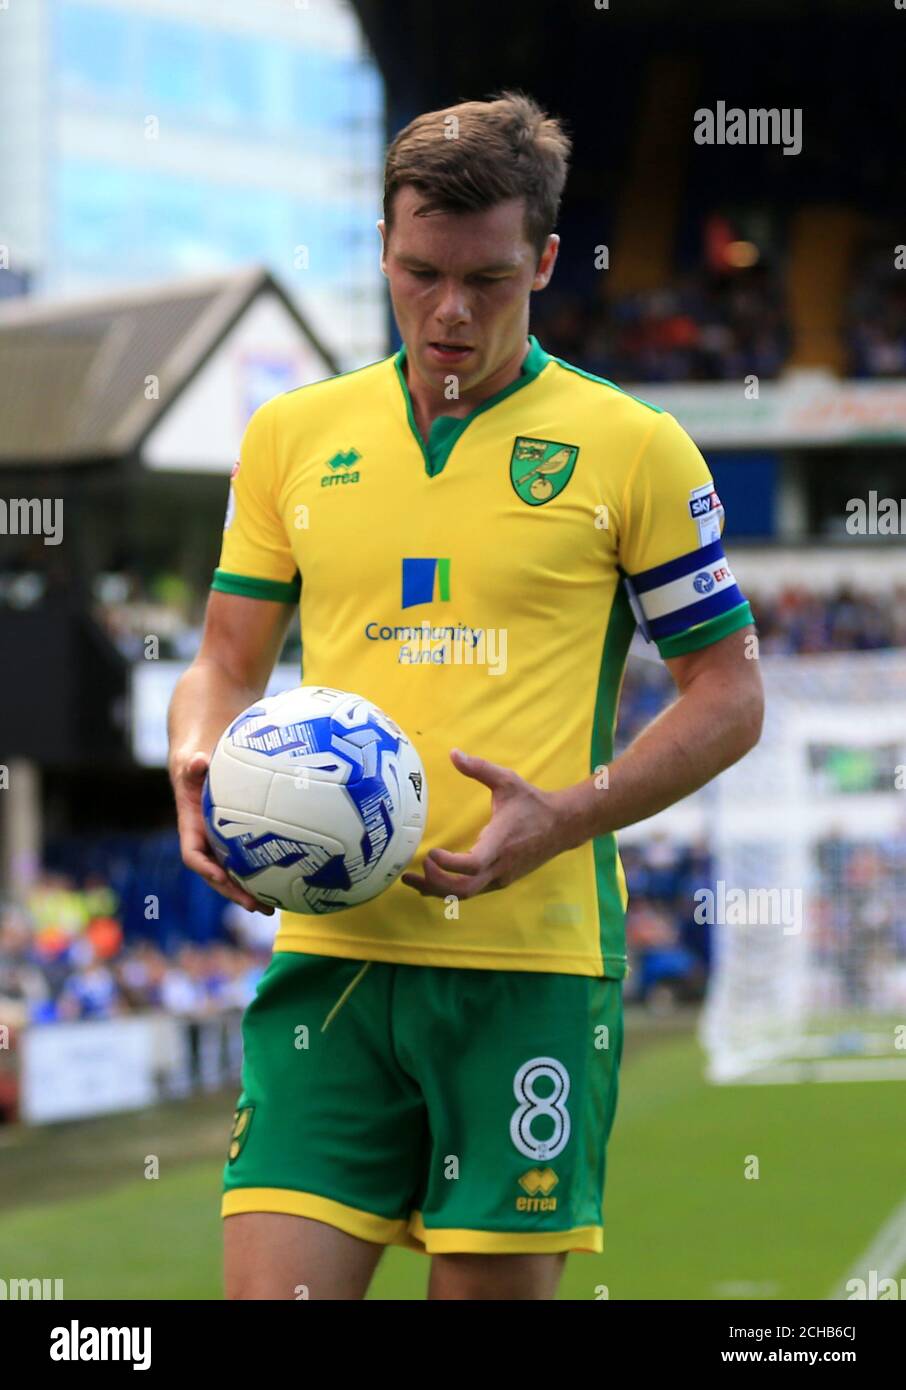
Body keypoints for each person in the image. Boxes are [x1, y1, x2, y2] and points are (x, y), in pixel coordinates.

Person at [167, 91, 763, 1301]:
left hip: (529, 972)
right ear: (383, 255)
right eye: (417, 273)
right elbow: (226, 661)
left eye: (486, 279)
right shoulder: (291, 435)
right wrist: (195, 754)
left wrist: (568, 810)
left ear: (544, 260)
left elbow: (730, 694)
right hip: (330, 954)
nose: (448, 310)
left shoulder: (631, 446)